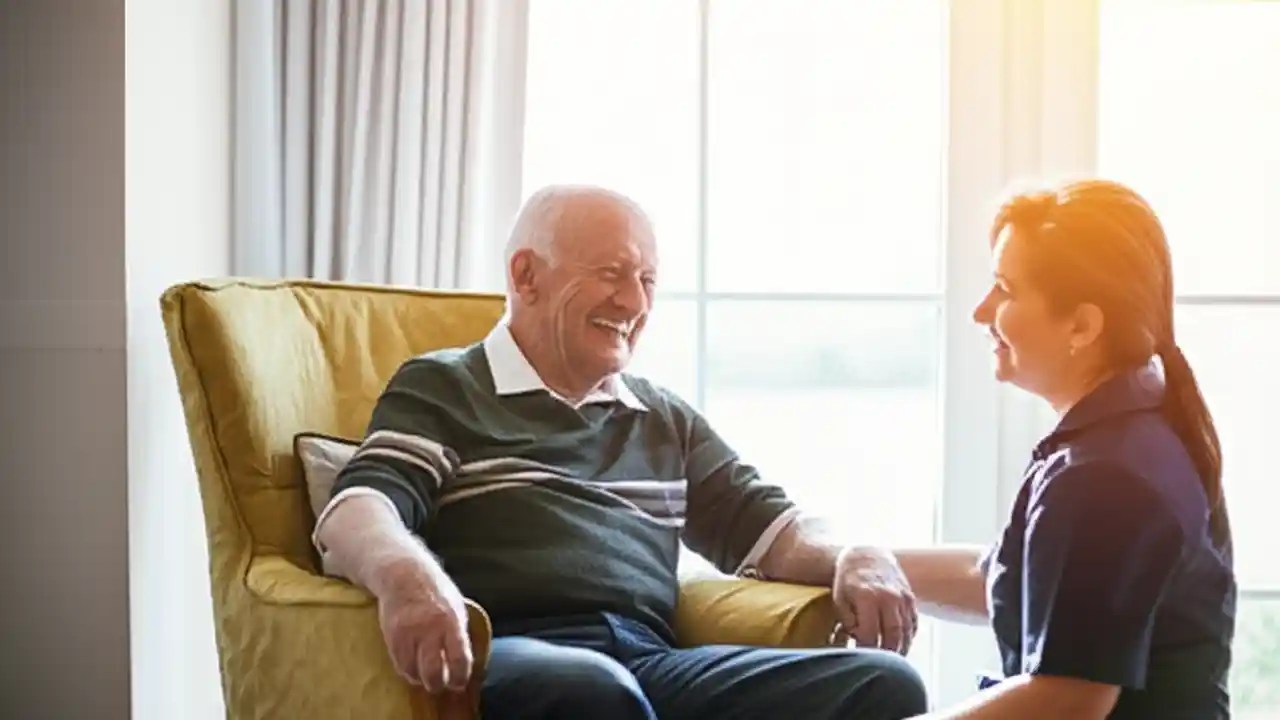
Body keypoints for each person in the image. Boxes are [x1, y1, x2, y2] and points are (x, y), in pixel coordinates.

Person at [313, 184, 929, 719]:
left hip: (650, 663)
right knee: (594, 692)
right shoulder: (445, 386)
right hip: (516, 651)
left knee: (884, 685)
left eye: (647, 281)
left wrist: (857, 552)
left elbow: (778, 529)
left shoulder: (662, 417)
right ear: (526, 275)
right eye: (611, 273)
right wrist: (407, 577)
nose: (633, 304)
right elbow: (359, 508)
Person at [895, 179, 1236, 719]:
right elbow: (1003, 580)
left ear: (1082, 324)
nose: (981, 312)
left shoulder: (1106, 476)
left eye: (1004, 289)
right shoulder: (1136, 430)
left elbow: (1066, 700)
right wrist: (856, 562)